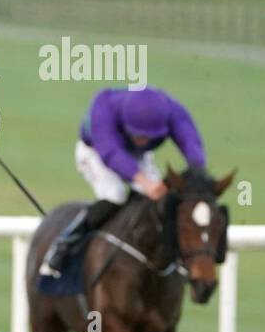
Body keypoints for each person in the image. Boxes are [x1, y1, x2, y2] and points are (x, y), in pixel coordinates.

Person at [40, 86, 208, 277]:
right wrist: (143, 182)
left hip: (136, 156)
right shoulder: (104, 108)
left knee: (159, 201)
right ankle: (63, 244)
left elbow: (190, 139)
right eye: (138, 135)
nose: (144, 140)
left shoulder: (171, 110)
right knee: (115, 194)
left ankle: (168, 255)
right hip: (95, 151)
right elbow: (110, 153)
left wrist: (198, 171)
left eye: (149, 137)